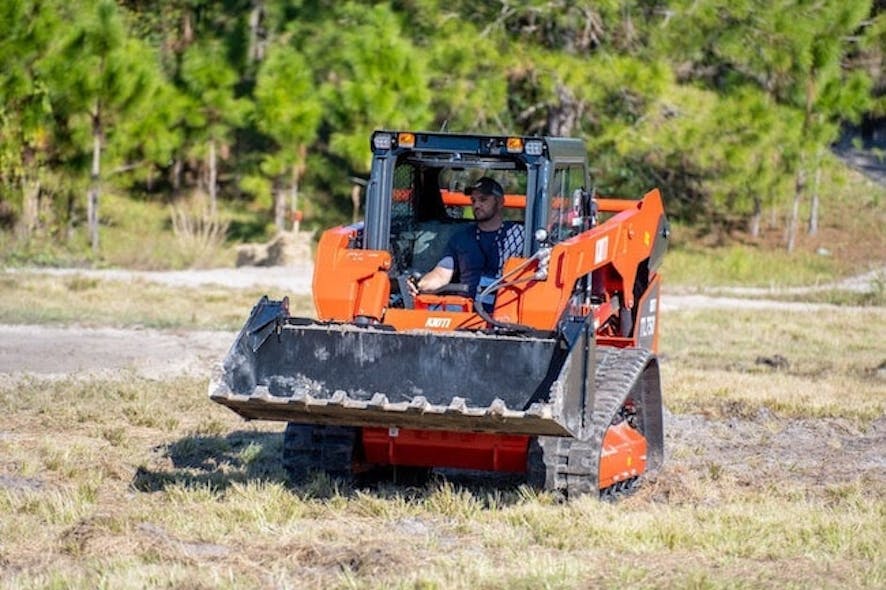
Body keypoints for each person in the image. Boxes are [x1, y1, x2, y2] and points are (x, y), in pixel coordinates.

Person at [409, 177, 524, 301]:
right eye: (473, 200)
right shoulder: (461, 238)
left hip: (506, 306)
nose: (476, 205)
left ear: (500, 202)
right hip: (467, 306)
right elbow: (441, 274)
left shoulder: (521, 235)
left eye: (483, 200)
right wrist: (418, 285)